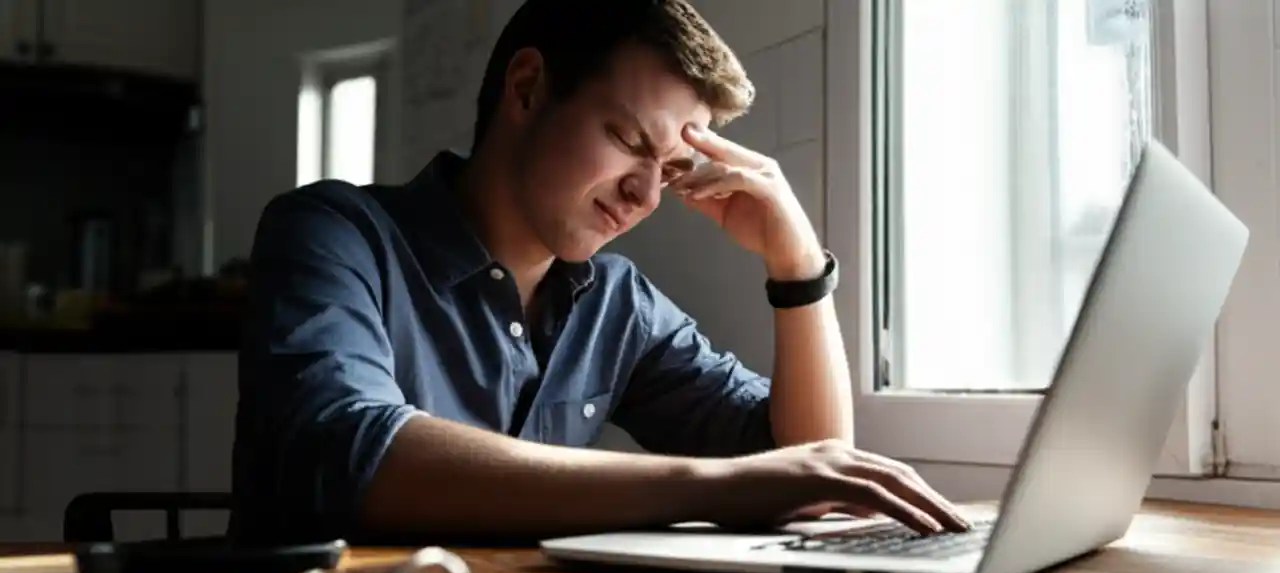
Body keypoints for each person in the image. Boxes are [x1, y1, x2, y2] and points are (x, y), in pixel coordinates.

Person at [231, 0, 969, 543]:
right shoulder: (334, 232)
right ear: (526, 89)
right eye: (626, 139)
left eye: (674, 169)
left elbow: (806, 466)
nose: (646, 195)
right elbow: (349, 450)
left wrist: (797, 266)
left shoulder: (617, 305)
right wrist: (710, 485)